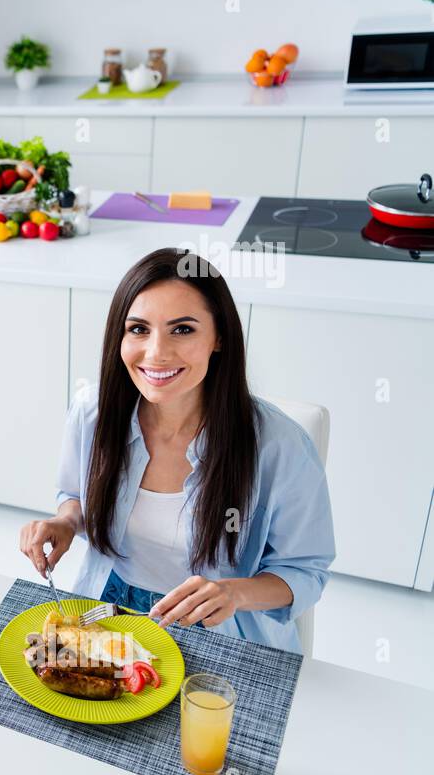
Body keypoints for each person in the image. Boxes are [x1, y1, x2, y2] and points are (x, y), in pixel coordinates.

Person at [18, 248, 334, 652]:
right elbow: (75, 497)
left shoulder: (280, 446)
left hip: (224, 631)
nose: (156, 353)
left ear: (219, 337)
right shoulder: (92, 413)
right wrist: (65, 522)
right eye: (138, 329)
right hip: (107, 611)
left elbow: (306, 571)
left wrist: (234, 593)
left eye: (182, 329)